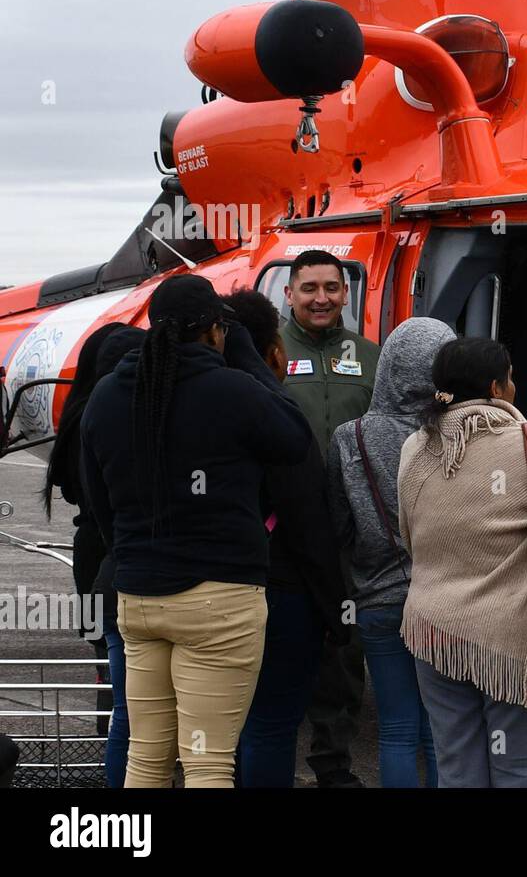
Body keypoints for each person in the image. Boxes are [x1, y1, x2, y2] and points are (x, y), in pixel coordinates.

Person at [80, 274, 312, 787]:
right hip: (219, 597)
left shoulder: (107, 396)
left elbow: (99, 503)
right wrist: (247, 355)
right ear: (215, 330)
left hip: (138, 596)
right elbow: (296, 438)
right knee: (208, 761)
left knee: (146, 755)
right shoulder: (233, 390)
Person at [398, 337, 527, 788]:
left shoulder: (414, 447)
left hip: (431, 631)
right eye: (511, 377)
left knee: (457, 769)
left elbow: (409, 537)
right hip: (512, 642)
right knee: (519, 772)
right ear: (495, 387)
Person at [221, 288, 351, 788]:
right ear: (272, 349)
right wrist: (333, 606)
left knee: (208, 732)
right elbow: (308, 523)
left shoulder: (178, 402)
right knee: (271, 726)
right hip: (279, 589)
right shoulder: (275, 411)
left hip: (197, 590)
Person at [327, 317, 454, 787]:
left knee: (397, 729)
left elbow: (340, 525)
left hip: (377, 598)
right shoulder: (455, 435)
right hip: (444, 599)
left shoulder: (350, 435)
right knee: (442, 730)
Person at [279, 248, 379, 788]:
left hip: (349, 528)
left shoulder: (369, 356)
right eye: (310, 288)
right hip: (281, 529)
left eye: (331, 288)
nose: (321, 299)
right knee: (275, 638)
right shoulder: (263, 353)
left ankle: (332, 759)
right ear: (289, 294)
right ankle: (264, 752)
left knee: (343, 644)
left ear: (345, 294)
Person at [85, 325, 147, 788]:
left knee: (126, 709)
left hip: (106, 574)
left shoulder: (92, 419)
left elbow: (95, 507)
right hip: (141, 578)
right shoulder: (157, 425)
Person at [43, 322, 129, 645]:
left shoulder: (77, 416)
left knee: (103, 654)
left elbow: (67, 488)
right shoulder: (108, 416)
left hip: (90, 549)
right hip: (115, 552)